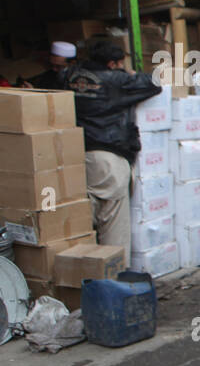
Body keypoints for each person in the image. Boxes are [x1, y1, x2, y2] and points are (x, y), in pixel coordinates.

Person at [62, 42, 162, 249]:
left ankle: (83, 265)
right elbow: (153, 83)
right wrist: (130, 72)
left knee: (84, 217)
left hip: (77, 156)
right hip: (109, 155)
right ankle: (112, 275)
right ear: (112, 63)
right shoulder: (115, 79)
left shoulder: (69, 76)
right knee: (113, 224)